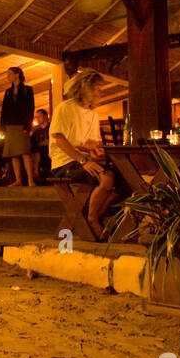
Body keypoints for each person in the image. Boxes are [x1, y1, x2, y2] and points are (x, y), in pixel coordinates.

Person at [50, 69, 118, 238]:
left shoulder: (93, 115)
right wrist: (83, 160)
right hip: (64, 162)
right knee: (106, 177)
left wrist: (95, 149)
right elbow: (59, 139)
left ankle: (96, 216)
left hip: (83, 159)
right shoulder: (65, 108)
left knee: (122, 180)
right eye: (98, 87)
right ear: (86, 87)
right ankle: (93, 219)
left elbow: (89, 143)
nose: (101, 92)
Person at [0, 66, 36, 187]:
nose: (7, 77)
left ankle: (31, 180)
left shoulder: (27, 90)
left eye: (9, 74)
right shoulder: (8, 92)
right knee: (14, 154)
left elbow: (31, 109)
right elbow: (4, 110)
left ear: (17, 74)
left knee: (25, 153)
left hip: (22, 125)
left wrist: (28, 125)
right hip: (10, 125)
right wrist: (3, 127)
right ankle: (18, 180)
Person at [30, 108, 51, 182]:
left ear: (46, 116)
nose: (37, 119)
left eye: (39, 116)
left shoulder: (51, 128)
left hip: (49, 152)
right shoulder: (36, 131)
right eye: (36, 117)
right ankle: (35, 172)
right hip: (39, 154)